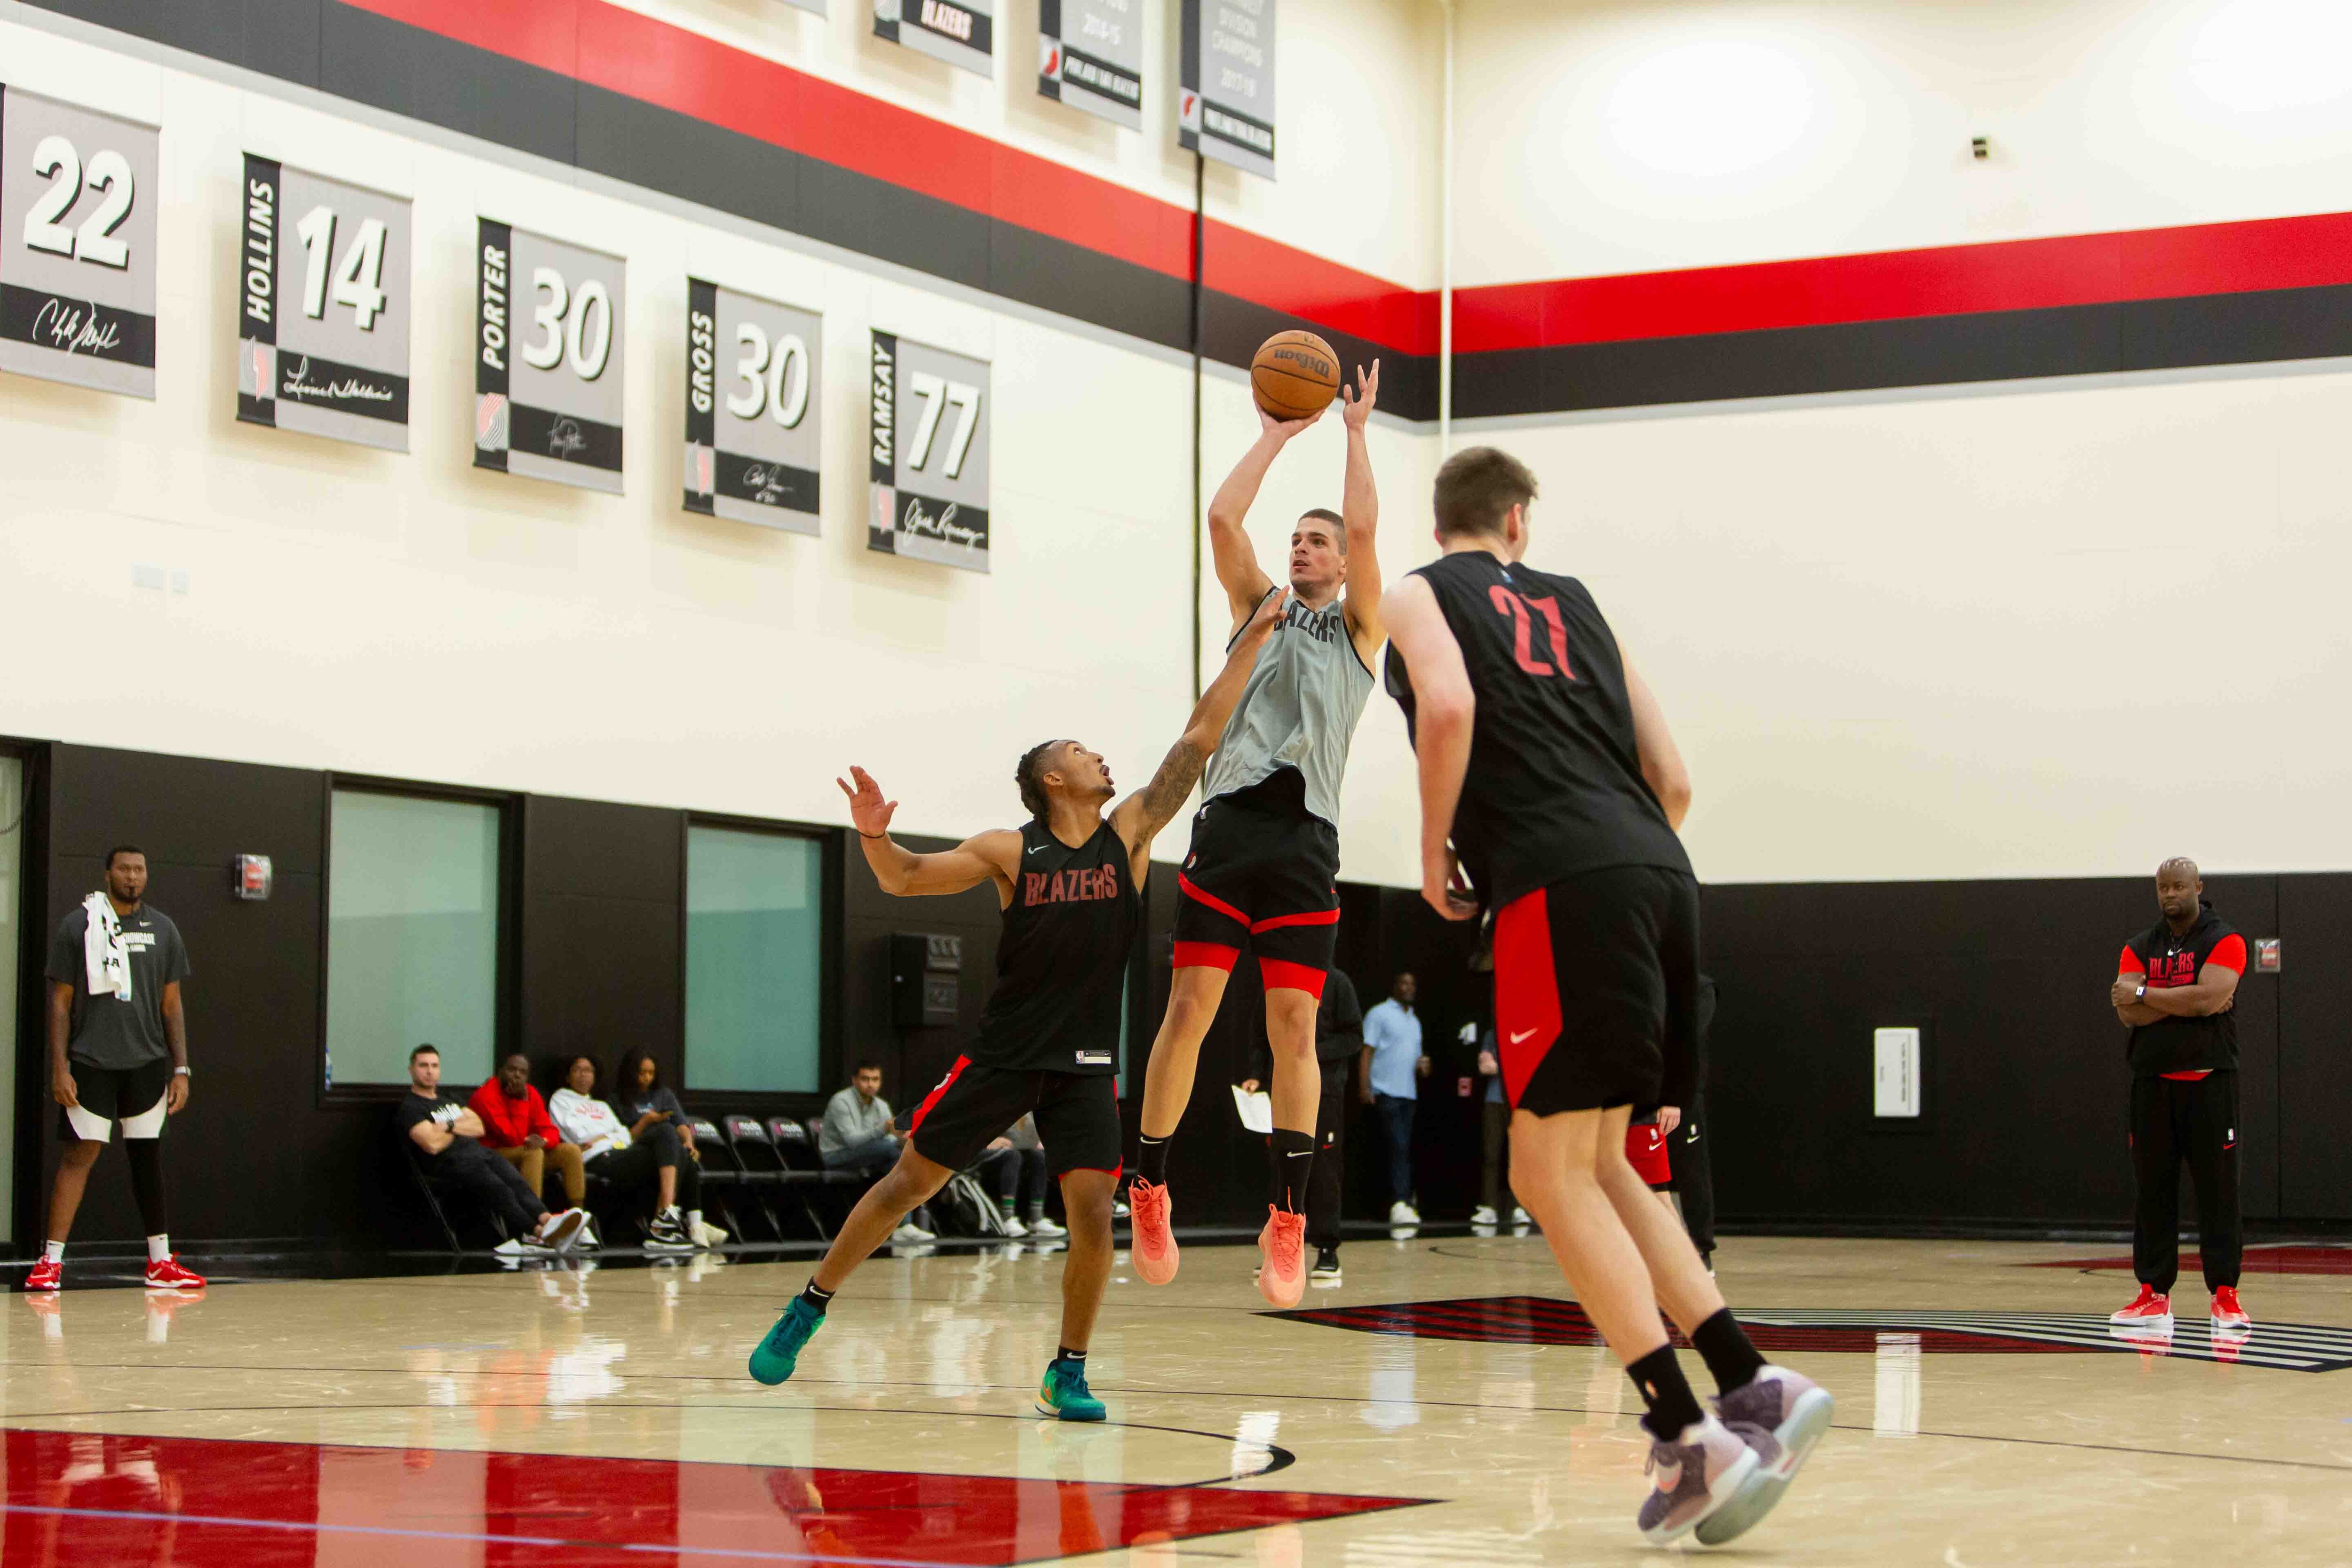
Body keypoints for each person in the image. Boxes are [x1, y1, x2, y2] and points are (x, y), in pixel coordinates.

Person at [1383, 446, 1829, 1545]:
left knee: (1542, 1170)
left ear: (1442, 524)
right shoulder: (1581, 602)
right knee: (1603, 1159)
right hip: (1660, 870)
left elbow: (1448, 705)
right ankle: (1749, 1382)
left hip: (1557, 880)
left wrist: (1433, 853)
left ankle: (1687, 1437)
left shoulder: (1417, 592)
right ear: (1518, 521)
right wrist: (1620, 865)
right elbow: (1674, 777)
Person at [747, 583, 1290, 1420]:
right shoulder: (1011, 849)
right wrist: (874, 834)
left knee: (1092, 1217)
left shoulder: (1130, 832)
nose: (1101, 758)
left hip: (1085, 1067)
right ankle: (810, 1304)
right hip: (1004, 1055)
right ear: (1052, 777)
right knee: (904, 1184)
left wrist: (1252, 639)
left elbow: (1198, 738)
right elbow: (903, 878)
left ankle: (1067, 1370)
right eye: (1081, 750)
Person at [1131, 362, 1389, 1308]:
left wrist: (1353, 433)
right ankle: (1149, 1183)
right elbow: (1221, 520)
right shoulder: (1259, 609)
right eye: (1297, 538)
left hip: (1306, 842)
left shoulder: (1359, 630)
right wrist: (1277, 433)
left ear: (1341, 561)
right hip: (1232, 825)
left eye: (1317, 539)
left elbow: (1366, 529)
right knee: (1188, 1012)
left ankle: (1287, 1217)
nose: (1303, 546)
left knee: (1295, 1030)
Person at [25, 847, 204, 1294]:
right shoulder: (79, 925)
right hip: (91, 1062)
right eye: (124, 868)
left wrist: (181, 1067)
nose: (132, 876)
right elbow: (60, 1002)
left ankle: (160, 1262)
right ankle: (50, 1262)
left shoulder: (163, 929)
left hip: (146, 1062)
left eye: (139, 869)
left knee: (147, 1156)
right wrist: (60, 1067)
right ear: (108, 873)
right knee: (79, 1156)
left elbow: (172, 1004)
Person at [2107, 858, 2249, 1336]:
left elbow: (2209, 998)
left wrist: (2147, 993)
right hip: (2151, 1085)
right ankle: (2153, 1296)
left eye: (2178, 886)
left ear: (2198, 887)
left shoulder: (2225, 940)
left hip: (2210, 1083)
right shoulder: (2137, 946)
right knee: (2152, 1191)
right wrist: (2187, 999)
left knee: (2218, 1192)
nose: (2169, 894)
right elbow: (2128, 1012)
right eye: (2162, 887)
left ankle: (2225, 1296)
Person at [397, 1044, 587, 1257]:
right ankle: (538, 1233)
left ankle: (549, 1221)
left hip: (480, 1153)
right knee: (499, 1188)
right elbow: (432, 1145)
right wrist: (459, 1127)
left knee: (516, 1182)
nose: (430, 1071)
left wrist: (448, 1127)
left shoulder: (449, 1099)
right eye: (423, 1066)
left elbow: (478, 1127)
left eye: (434, 1066)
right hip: (450, 1163)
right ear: (412, 1070)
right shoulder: (411, 1107)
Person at [1241, 963, 1364, 1282]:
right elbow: (1259, 1035)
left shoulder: (1338, 983)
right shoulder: (1275, 982)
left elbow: (1353, 1037)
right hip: (1281, 1089)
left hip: (1325, 1092)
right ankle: (1279, 1248)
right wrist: (1256, 1074)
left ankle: (1327, 1249)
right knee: (1282, 1167)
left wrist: (1308, 1054)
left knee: (1324, 1169)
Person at [548, 1054, 699, 1253]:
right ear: (568, 1077)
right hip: (597, 1158)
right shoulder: (560, 1100)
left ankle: (665, 1221)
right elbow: (580, 1137)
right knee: (668, 1138)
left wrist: (606, 1137)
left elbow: (626, 1136)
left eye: (589, 1071)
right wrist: (610, 1137)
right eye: (578, 1070)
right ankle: (663, 1224)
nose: (583, 1075)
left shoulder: (601, 1106)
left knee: (674, 1141)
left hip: (621, 1152)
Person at [612, 1047, 723, 1246]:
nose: (647, 1078)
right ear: (631, 1072)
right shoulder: (617, 1099)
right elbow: (622, 1139)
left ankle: (695, 1225)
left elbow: (681, 1125)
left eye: (651, 1073)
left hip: (666, 1155)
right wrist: (646, 1121)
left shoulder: (663, 1094)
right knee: (666, 1131)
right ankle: (667, 1220)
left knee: (685, 1152)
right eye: (642, 1073)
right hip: (637, 1152)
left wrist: (689, 1142)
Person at [820, 1064, 933, 1242]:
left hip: (870, 1155)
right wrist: (884, 1130)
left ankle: (902, 1226)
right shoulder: (841, 1102)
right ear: (854, 1080)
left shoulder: (881, 1105)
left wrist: (903, 1139)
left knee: (903, 1158)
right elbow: (852, 1141)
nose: (871, 1084)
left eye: (875, 1080)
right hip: (837, 1155)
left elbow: (889, 1139)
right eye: (865, 1079)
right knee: (894, 1154)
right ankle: (902, 1227)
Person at [468, 1054, 588, 1213]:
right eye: (512, 1070)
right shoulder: (486, 1096)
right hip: (491, 1155)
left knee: (571, 1151)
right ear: (500, 1071)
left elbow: (551, 1130)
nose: (517, 1075)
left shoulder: (530, 1092)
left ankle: (578, 1213)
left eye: (523, 1072)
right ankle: (535, 1216)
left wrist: (544, 1140)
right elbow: (512, 1138)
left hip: (521, 1151)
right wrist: (520, 1102)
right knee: (533, 1153)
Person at [1359, 972, 1429, 1224]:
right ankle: (1399, 1203)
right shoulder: (1379, 1013)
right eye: (1404, 983)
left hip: (1409, 1093)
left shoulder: (1415, 1021)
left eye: (1413, 984)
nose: (1409, 988)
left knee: (1403, 1148)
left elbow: (1417, 1059)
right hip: (1384, 1091)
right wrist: (1364, 1087)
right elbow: (1367, 1051)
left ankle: (1403, 1202)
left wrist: (1423, 1066)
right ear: (1395, 987)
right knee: (1398, 1147)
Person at [1472, 1020, 1529, 1227]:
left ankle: (1519, 1208)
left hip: (1518, 1103)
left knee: (1519, 1159)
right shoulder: (1492, 1034)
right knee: (1491, 1155)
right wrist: (1510, 1065)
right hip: (1494, 1100)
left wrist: (1501, 1065)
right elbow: (1485, 1067)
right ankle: (1489, 1208)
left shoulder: (1525, 1031)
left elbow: (1527, 1066)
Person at [977, 1114, 1062, 1238]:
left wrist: (1037, 1140)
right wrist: (987, 1142)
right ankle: (1007, 1218)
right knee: (1013, 1157)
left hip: (1007, 1147)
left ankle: (1036, 1219)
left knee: (1039, 1157)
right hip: (978, 1150)